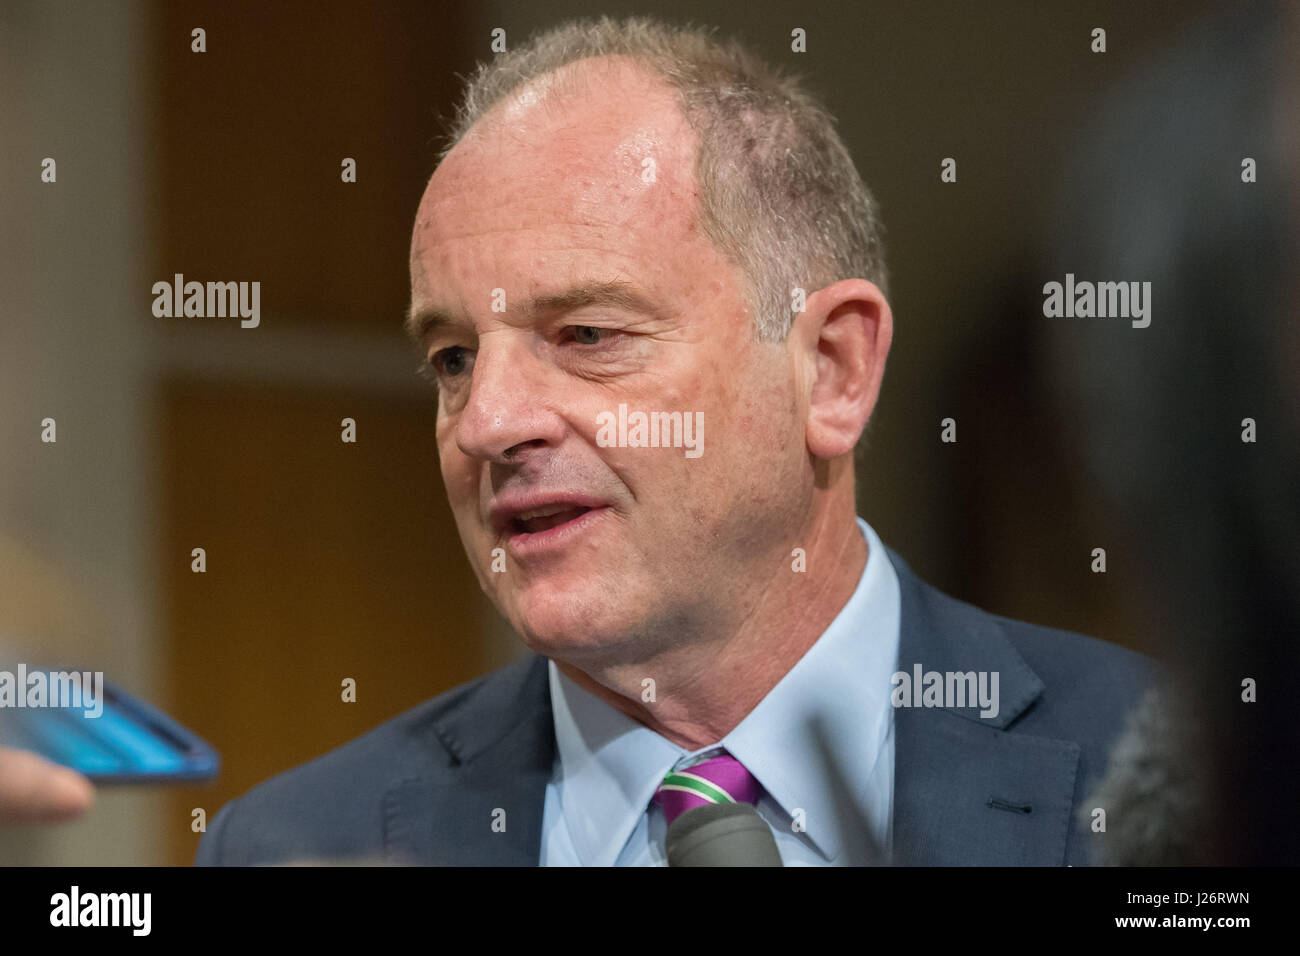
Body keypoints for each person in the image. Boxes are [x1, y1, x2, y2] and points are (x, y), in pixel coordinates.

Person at [197, 16, 1155, 867]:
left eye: (588, 336)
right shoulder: (297, 843)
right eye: (452, 359)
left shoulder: (1187, 774)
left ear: (832, 371)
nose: (487, 423)